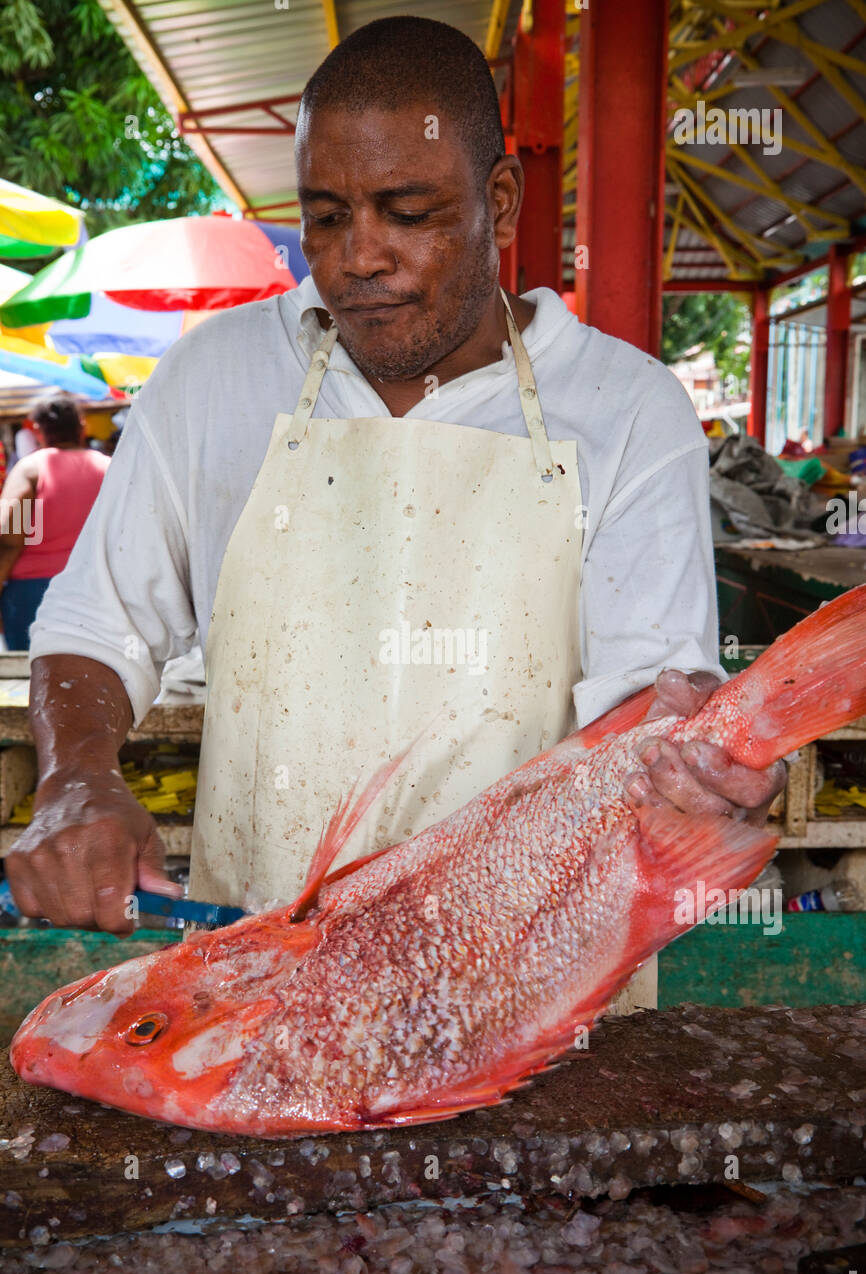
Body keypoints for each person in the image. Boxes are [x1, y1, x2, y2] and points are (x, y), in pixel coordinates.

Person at [7, 19, 784, 1000]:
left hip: (535, 998)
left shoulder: (629, 411)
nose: (355, 259)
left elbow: (641, 723)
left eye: (404, 210)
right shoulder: (213, 378)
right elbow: (94, 625)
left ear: (497, 202)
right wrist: (76, 776)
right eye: (326, 216)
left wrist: (683, 766)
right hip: (257, 992)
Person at [0, 392, 108, 649]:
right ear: (82, 426)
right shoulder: (110, 467)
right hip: (97, 588)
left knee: (28, 678)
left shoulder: (31, 469)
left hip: (33, 593)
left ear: (38, 430)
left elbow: (10, 535)